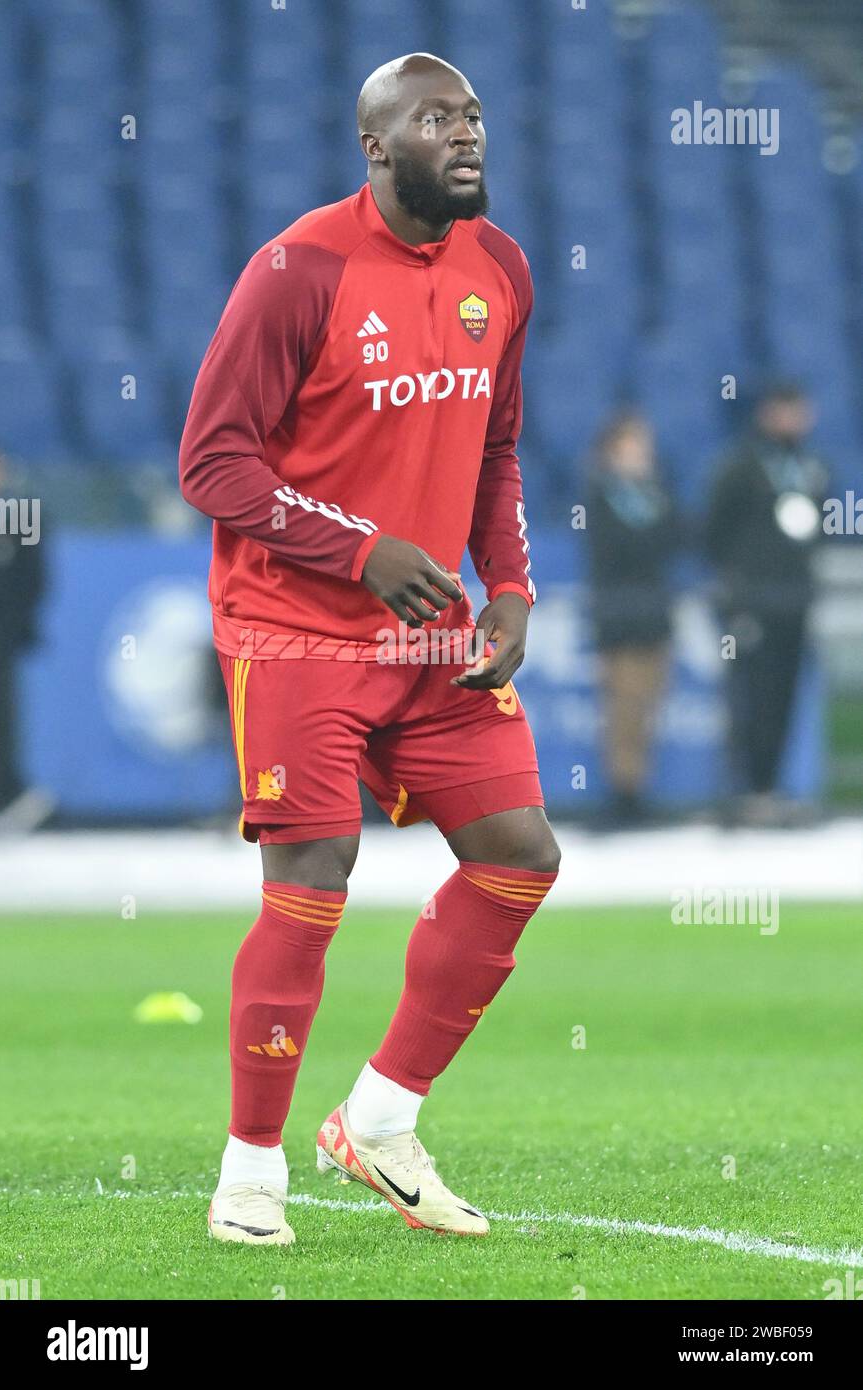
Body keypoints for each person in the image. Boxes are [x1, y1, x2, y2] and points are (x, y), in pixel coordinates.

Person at [179, 53, 560, 1245]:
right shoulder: (298, 271)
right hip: (294, 628)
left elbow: (495, 449)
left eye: (474, 117)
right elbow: (212, 461)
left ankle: (378, 1120)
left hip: (434, 628)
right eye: (435, 118)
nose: (465, 135)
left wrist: (508, 584)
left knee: (519, 858)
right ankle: (250, 1172)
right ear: (374, 144)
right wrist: (359, 553)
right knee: (312, 881)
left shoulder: (498, 269)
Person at [704, 381, 829, 821]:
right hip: (750, 602)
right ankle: (741, 793)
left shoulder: (812, 466)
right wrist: (736, 587)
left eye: (801, 411)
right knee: (748, 694)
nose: (795, 420)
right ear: (767, 413)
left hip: (794, 602)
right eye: (786, 410)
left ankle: (770, 790)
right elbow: (713, 532)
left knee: (785, 696)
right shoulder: (741, 466)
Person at [585, 412, 677, 827]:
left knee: (649, 706)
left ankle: (639, 788)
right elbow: (617, 551)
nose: (641, 455)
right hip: (619, 618)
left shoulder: (658, 494)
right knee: (622, 706)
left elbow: (675, 542)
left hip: (654, 615)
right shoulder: (599, 498)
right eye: (631, 447)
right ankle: (620, 792)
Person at [0, 451, 51, 834]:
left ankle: (11, 794)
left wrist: (21, 625)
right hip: (8, 631)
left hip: (5, 632)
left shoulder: (19, 511)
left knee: (4, 711)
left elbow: (33, 576)